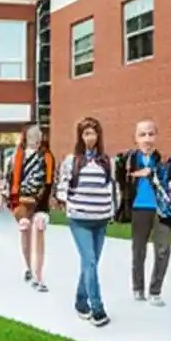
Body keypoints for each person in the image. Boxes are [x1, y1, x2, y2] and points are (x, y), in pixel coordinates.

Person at [56, 117, 117, 328]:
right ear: (80, 137)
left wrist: (112, 212)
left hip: (100, 219)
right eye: (86, 133)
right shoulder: (72, 160)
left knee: (89, 264)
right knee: (90, 261)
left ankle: (81, 301)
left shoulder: (107, 161)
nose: (90, 137)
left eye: (93, 133)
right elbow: (62, 186)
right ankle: (97, 309)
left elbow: (111, 188)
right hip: (79, 219)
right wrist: (66, 203)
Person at [127, 119, 171, 307]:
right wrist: (137, 174)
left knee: (163, 249)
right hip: (139, 208)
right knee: (139, 250)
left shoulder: (161, 162)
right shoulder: (129, 160)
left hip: (160, 210)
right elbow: (121, 179)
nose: (147, 139)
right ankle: (138, 288)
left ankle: (155, 290)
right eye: (142, 135)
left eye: (150, 134)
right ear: (136, 139)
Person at [6, 124, 55, 292]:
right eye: (32, 138)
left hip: (40, 202)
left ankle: (39, 275)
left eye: (37, 139)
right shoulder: (16, 157)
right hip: (20, 201)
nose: (35, 142)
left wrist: (39, 200)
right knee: (25, 228)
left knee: (39, 228)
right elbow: (11, 181)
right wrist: (16, 202)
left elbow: (48, 182)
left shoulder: (47, 157)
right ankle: (28, 267)